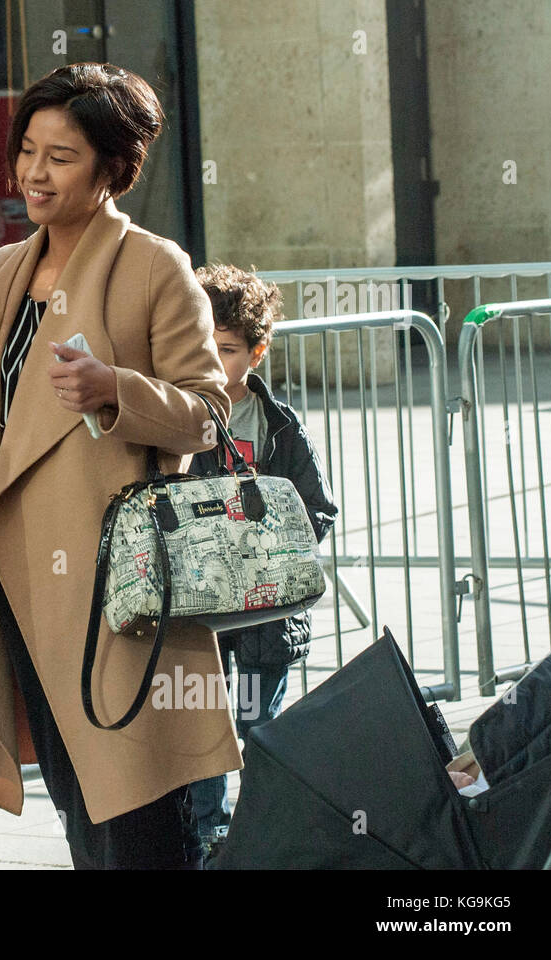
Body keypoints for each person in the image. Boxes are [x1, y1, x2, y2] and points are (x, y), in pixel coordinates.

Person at [0, 62, 241, 869]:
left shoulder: (154, 266)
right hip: (14, 577)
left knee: (141, 807)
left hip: (118, 583)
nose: (34, 174)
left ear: (114, 167)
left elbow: (209, 412)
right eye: (27, 151)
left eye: (61, 156)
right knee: (80, 804)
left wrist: (117, 390)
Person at [185, 264, 338, 851]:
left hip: (266, 616)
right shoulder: (177, 414)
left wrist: (268, 548)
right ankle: (208, 837)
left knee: (259, 728)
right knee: (202, 727)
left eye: (225, 349)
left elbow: (318, 509)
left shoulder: (280, 427)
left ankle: (266, 834)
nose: (213, 360)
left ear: (258, 351)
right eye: (202, 345)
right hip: (199, 612)